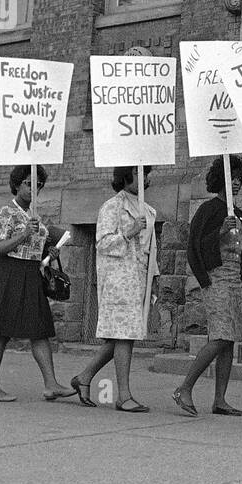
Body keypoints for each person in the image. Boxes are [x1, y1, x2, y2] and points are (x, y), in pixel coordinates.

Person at [0, 166, 75, 402]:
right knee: (1, 331)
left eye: (38, 185)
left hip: (31, 274)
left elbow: (33, 251)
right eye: (29, 184)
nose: (34, 189)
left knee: (39, 331)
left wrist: (48, 253)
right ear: (17, 184)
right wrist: (23, 235)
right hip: (9, 273)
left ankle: (51, 384)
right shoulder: (5, 213)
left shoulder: (34, 215)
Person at [71, 166, 158, 413]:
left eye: (146, 174)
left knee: (124, 335)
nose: (145, 179)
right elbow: (102, 243)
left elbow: (152, 250)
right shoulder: (112, 207)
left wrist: (155, 279)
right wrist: (128, 233)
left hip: (139, 279)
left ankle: (84, 377)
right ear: (126, 177)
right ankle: (124, 395)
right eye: (140, 174)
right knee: (125, 335)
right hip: (118, 281)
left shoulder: (148, 210)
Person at [173, 155, 242, 418]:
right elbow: (194, 246)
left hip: (233, 282)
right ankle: (184, 388)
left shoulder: (239, 215)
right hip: (216, 279)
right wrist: (219, 233)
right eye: (233, 179)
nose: (238, 183)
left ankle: (220, 399)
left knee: (229, 341)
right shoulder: (209, 210)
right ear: (222, 180)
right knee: (219, 337)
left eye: (240, 179)